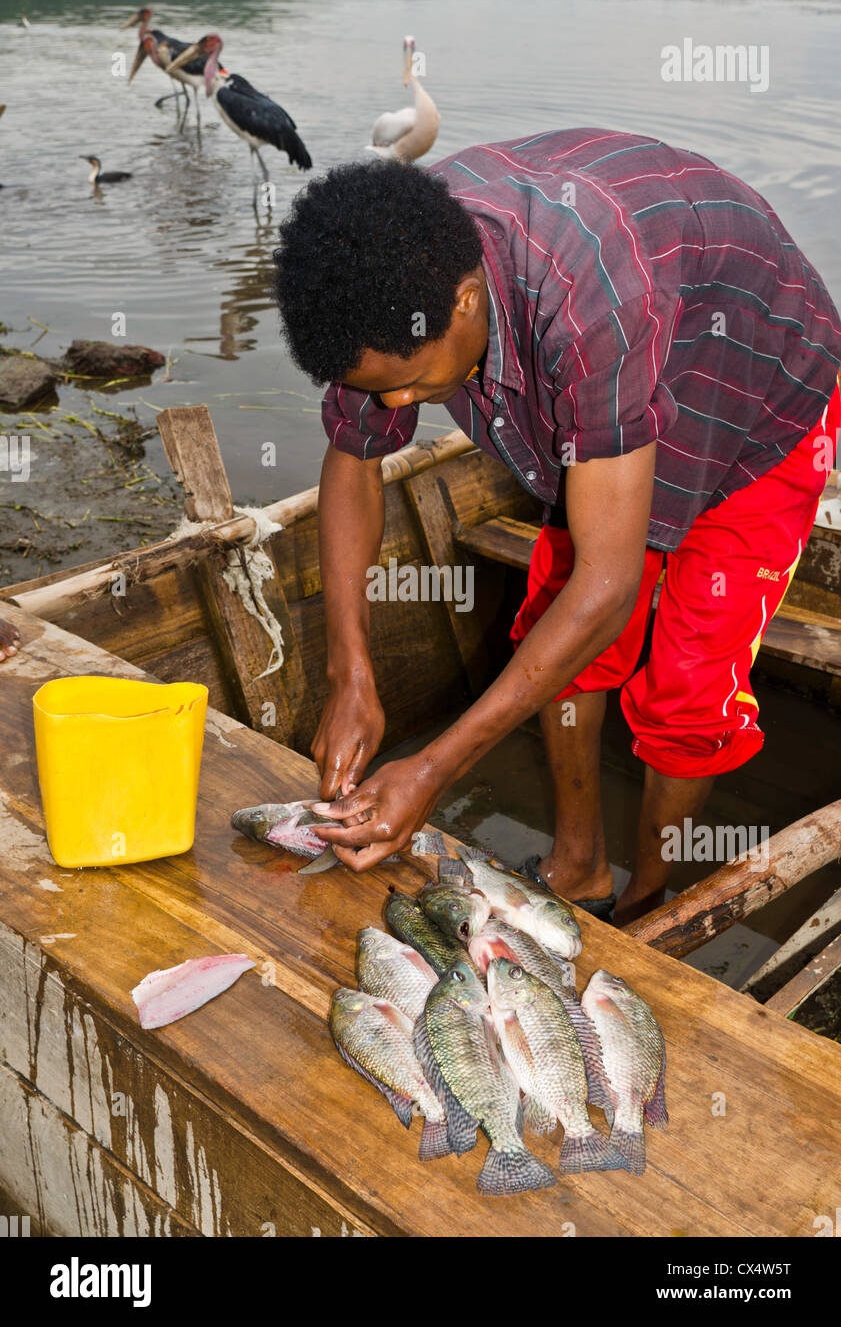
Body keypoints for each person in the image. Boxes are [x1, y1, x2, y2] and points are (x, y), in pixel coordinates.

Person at [272, 129, 841, 925]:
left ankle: (647, 895)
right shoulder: (380, 276)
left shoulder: (587, 300)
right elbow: (354, 459)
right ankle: (576, 865)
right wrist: (350, 673)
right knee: (557, 630)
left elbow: (604, 589)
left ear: (465, 301)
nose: (394, 408)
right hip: (620, 372)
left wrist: (433, 767)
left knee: (688, 687)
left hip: (752, 389)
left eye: (408, 388)